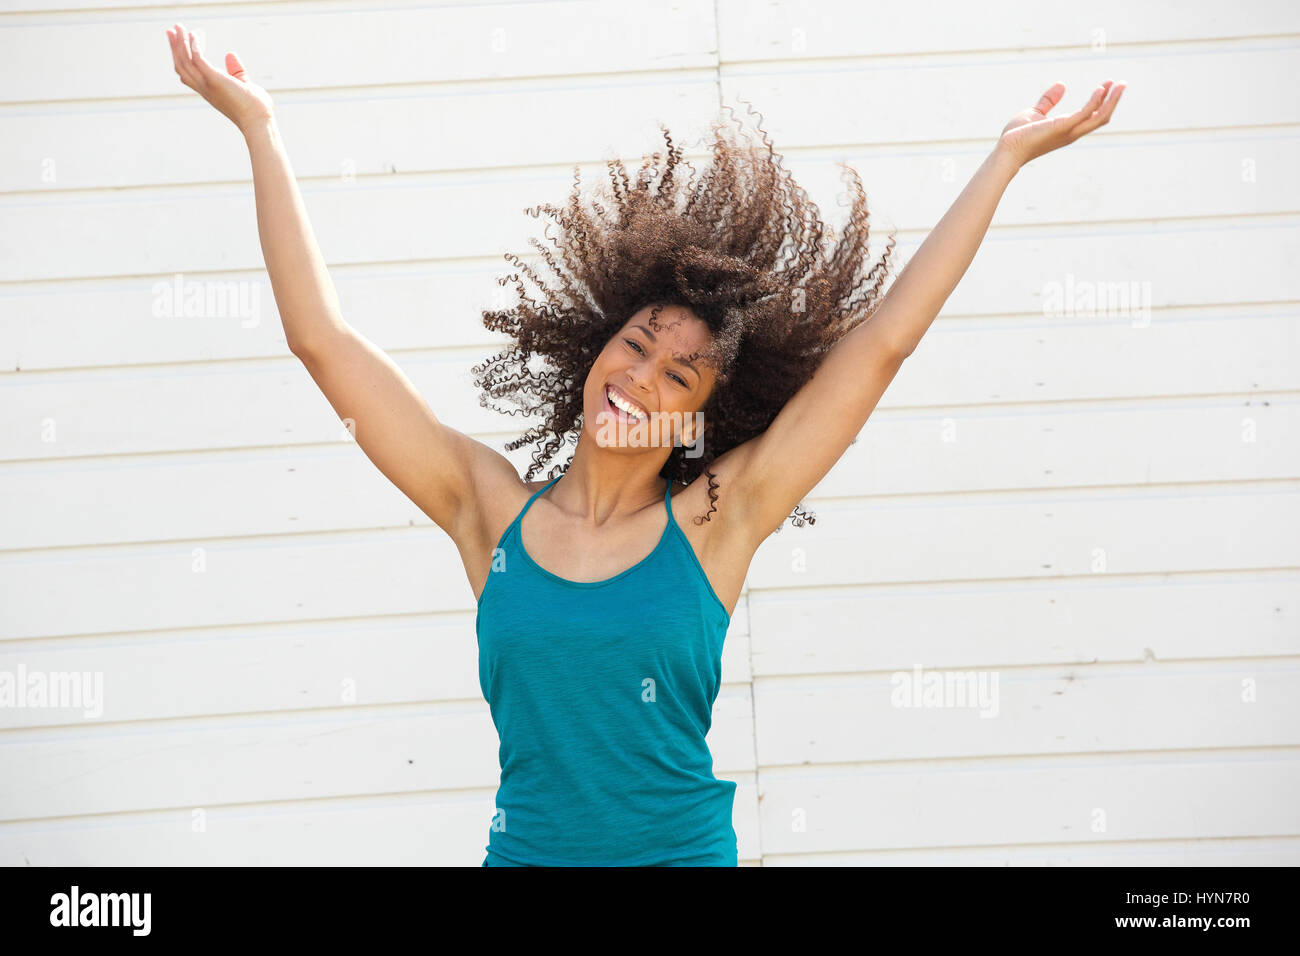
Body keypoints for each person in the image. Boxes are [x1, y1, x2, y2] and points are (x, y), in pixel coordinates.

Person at [165, 21, 1125, 866]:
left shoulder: (720, 516)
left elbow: (880, 348)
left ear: (701, 417)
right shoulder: (486, 509)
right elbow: (320, 342)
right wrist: (261, 130)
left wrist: (1002, 163)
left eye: (678, 375)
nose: (639, 377)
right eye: (635, 345)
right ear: (595, 350)